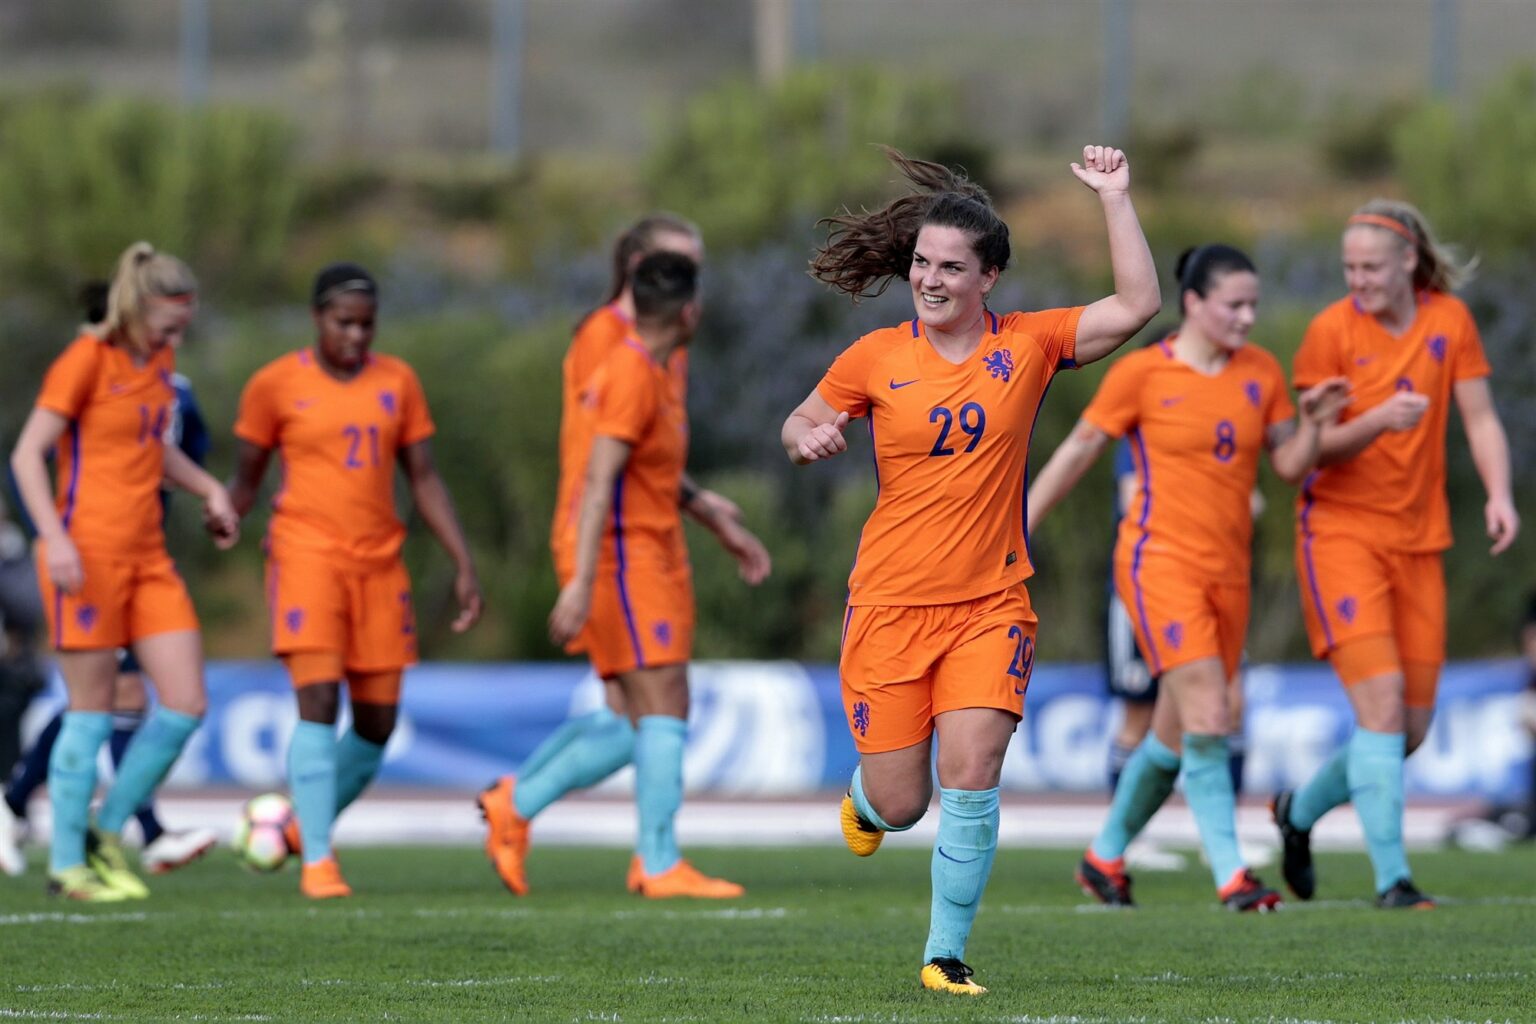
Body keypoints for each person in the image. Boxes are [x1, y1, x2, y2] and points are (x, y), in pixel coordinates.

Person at [781, 146, 1159, 995]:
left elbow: (1138, 304)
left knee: (974, 770)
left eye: (951, 267)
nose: (930, 278)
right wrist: (808, 439)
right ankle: (868, 801)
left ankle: (943, 956)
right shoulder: (875, 357)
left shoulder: (1029, 346)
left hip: (991, 605)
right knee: (902, 803)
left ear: (989, 277)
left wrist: (1115, 198)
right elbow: (799, 421)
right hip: (888, 607)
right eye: (922, 262)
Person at [1027, 244, 1350, 910]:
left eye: (1253, 304)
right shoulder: (1142, 373)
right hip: (1158, 566)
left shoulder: (1260, 372)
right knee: (1211, 713)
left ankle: (1103, 857)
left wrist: (1316, 427)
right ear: (1195, 303)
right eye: (1235, 304)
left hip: (1228, 574)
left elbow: (1290, 465)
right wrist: (1018, 526)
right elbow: (1077, 452)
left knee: (1173, 736)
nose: (1247, 317)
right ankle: (1233, 876)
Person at [478, 217, 769, 897]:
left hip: (644, 539)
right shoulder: (615, 347)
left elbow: (647, 456)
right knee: (656, 707)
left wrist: (705, 511)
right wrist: (581, 577)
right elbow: (597, 469)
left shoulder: (662, 354)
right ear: (644, 272)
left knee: (632, 716)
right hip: (616, 547)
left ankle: (519, 804)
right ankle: (650, 858)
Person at [1272, 200, 1519, 909]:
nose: (1359, 280)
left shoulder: (1450, 321)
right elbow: (1312, 452)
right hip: (1340, 537)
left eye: (1371, 267)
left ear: (1408, 261)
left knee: (1407, 731)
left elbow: (1480, 417)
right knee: (1380, 708)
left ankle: (1299, 812)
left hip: (1420, 543)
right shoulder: (1330, 331)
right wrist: (1377, 419)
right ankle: (1394, 882)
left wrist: (1499, 494)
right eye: (1350, 268)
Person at [228, 262, 483, 900]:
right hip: (306, 556)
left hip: (379, 566)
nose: (356, 336)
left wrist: (462, 560)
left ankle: (296, 828)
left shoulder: (398, 382)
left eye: (366, 325)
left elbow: (423, 476)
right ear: (317, 317)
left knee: (376, 725)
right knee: (318, 701)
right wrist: (224, 512)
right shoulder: (275, 385)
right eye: (343, 323)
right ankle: (319, 860)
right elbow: (246, 476)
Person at [8, 242, 239, 901]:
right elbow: (27, 454)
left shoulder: (158, 363)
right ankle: (67, 865)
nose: (176, 339)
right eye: (168, 326)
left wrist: (210, 490)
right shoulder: (85, 360)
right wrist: (53, 538)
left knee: (186, 704)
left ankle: (106, 833)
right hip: (86, 556)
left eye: (183, 327)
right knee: (91, 711)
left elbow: (153, 448)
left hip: (148, 558)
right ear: (136, 311)